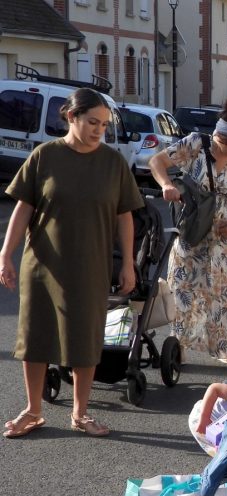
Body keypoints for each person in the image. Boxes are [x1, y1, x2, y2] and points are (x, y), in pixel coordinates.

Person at [1, 88, 142, 438]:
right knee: (34, 337)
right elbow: (23, 209)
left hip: (90, 267)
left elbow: (125, 216)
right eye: (93, 122)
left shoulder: (113, 163)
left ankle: (80, 414)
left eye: (105, 125)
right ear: (71, 117)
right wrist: (5, 254)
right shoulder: (44, 156)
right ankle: (33, 411)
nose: (99, 130)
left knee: (84, 340)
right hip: (43, 266)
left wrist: (128, 263)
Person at [150, 97, 227, 364]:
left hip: (224, 239)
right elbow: (157, 162)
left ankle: (225, 348)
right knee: (184, 289)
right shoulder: (196, 145)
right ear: (217, 135)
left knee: (223, 293)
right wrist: (166, 185)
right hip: (192, 232)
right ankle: (179, 347)